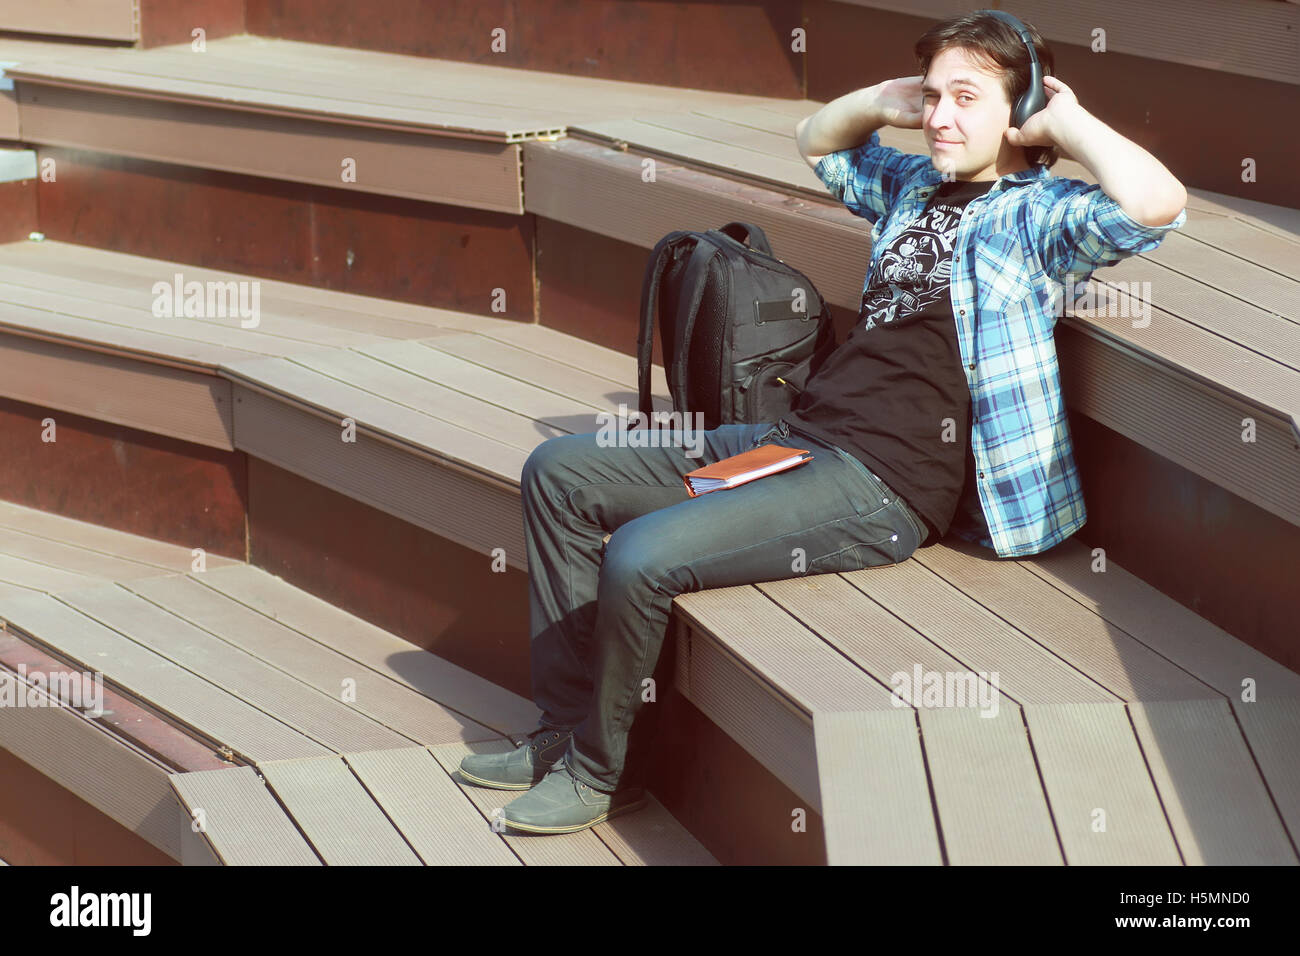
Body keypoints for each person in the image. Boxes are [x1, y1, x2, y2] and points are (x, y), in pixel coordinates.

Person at [458, 10, 1187, 835]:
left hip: (880, 486)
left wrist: (1071, 121)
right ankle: (561, 732)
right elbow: (817, 140)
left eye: (967, 99)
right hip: (800, 439)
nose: (940, 116)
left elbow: (1156, 205)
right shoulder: (913, 190)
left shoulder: (1037, 219)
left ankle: (603, 772)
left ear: (1021, 116)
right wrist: (887, 99)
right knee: (559, 475)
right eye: (933, 95)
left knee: (640, 553)